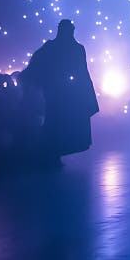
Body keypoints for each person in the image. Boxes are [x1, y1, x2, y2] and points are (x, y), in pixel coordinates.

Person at [22, 19, 99, 165]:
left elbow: (82, 71)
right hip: (56, 93)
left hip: (69, 94)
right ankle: (51, 153)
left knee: (64, 123)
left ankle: (53, 153)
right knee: (56, 122)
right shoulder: (53, 47)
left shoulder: (75, 48)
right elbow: (38, 66)